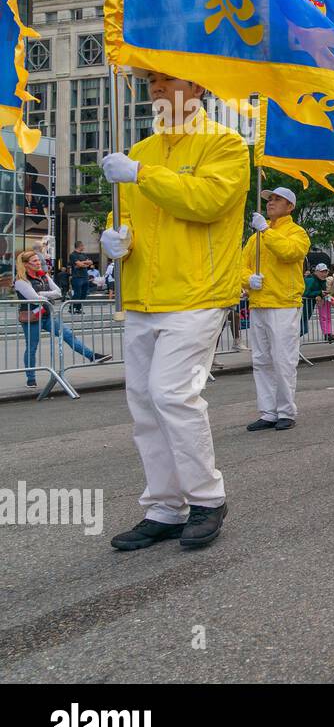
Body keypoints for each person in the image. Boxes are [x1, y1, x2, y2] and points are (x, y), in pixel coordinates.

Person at [98, 68, 251, 551]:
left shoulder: (224, 145)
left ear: (200, 87)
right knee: (143, 404)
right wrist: (114, 239)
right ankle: (164, 508)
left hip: (197, 294)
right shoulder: (138, 152)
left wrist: (142, 175)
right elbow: (123, 217)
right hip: (143, 294)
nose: (158, 89)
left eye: (170, 80)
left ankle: (207, 499)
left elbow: (206, 202)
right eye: (152, 82)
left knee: (172, 394)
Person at [242, 186, 311, 432]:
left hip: (283, 302)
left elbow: (290, 253)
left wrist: (264, 231)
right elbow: (241, 266)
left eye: (277, 199)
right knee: (261, 361)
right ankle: (268, 412)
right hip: (259, 302)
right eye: (269, 199)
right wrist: (248, 279)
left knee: (283, 360)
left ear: (290, 206)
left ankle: (286, 411)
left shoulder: (297, 232)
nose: (270, 203)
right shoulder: (254, 238)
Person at [14, 249, 110, 387]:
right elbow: (34, 298)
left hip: (47, 315)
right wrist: (44, 295)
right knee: (32, 347)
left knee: (68, 335)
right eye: (34, 261)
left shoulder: (44, 276)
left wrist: (42, 293)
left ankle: (92, 356)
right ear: (26, 264)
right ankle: (31, 379)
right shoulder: (20, 281)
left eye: (38, 260)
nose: (39, 263)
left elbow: (58, 292)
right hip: (32, 318)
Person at [70, 242, 94, 311]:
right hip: (77, 277)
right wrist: (85, 263)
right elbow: (79, 264)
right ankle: (72, 307)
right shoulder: (73, 255)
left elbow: (91, 262)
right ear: (79, 246)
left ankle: (78, 308)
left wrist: (82, 263)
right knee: (77, 293)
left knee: (84, 293)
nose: (84, 247)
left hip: (85, 276)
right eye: (83, 246)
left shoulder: (83, 254)